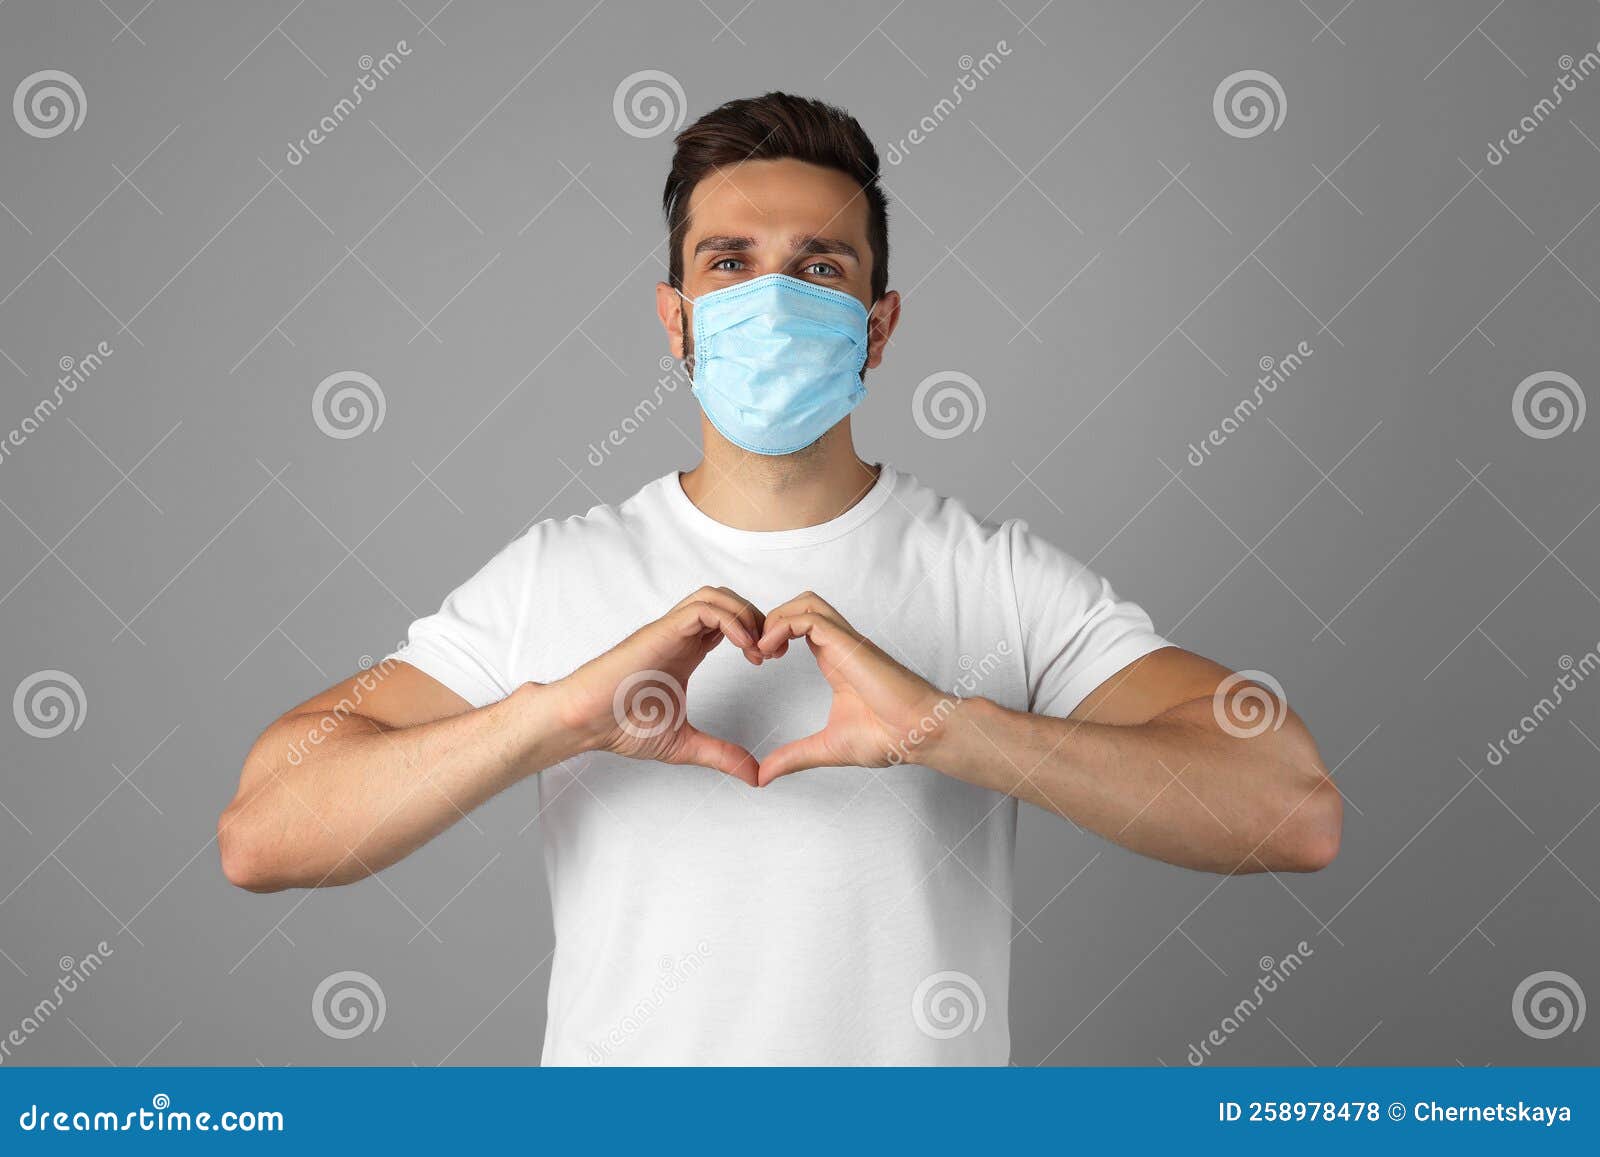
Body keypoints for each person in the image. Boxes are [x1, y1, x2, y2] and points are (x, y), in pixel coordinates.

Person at [219, 92, 1341, 1065]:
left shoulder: (995, 579)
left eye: (819, 267)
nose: (772, 297)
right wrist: (553, 719)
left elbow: (1292, 809)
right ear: (677, 321)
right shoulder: (556, 575)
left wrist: (952, 730)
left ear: (877, 326)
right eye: (729, 263)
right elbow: (263, 832)